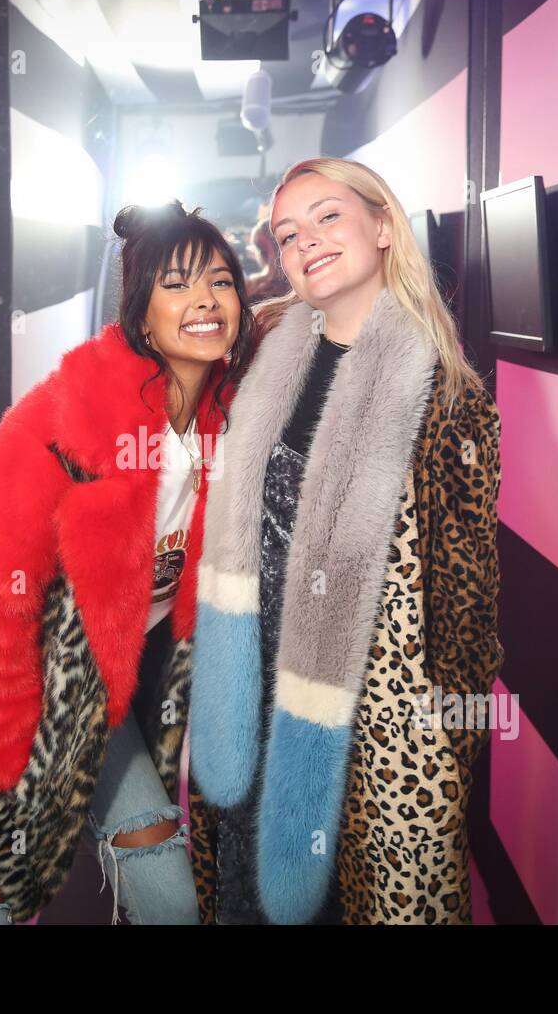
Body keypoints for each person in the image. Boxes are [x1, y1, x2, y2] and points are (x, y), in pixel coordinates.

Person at [0, 199, 256, 924]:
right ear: (138, 311)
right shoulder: (73, 415)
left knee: (163, 880)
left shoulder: (224, 416)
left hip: (83, 702)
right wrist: (11, 779)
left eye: (221, 281)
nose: (204, 300)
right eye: (177, 283)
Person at [188, 157, 504, 924]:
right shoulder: (260, 355)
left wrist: (438, 747)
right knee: (247, 901)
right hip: (252, 686)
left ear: (384, 225)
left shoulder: (447, 399)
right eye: (288, 233)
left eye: (328, 216)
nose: (307, 241)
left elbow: (466, 608)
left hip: (379, 725)